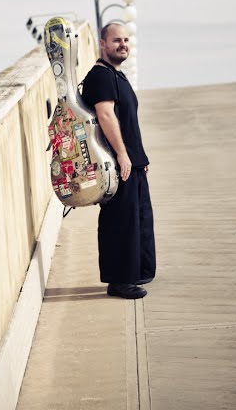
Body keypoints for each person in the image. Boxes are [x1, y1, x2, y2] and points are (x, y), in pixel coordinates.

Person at [81, 21, 155, 299]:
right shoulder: (101, 76)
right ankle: (119, 281)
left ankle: (138, 272)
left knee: (139, 220)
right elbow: (106, 116)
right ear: (102, 44)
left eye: (126, 40)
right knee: (120, 222)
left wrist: (139, 156)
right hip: (115, 162)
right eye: (116, 41)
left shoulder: (118, 75)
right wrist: (123, 155)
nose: (122, 45)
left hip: (132, 161)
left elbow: (129, 121)